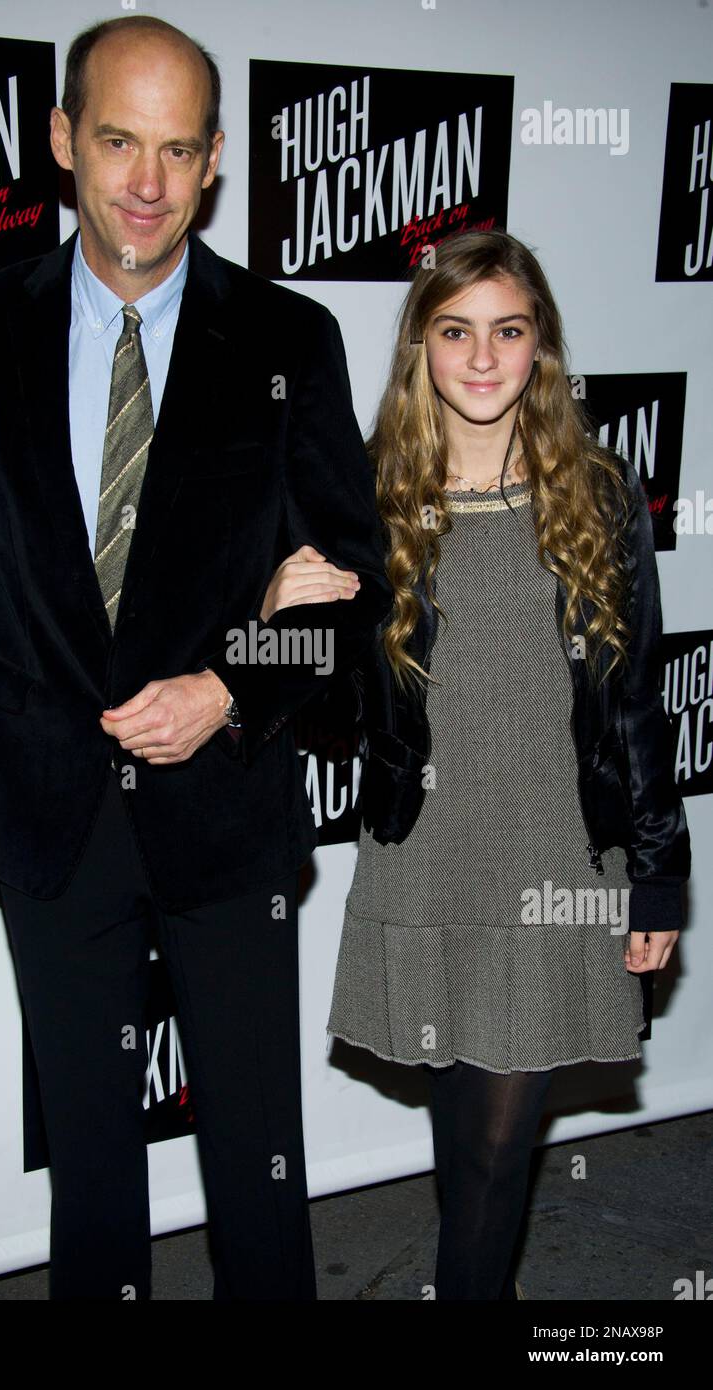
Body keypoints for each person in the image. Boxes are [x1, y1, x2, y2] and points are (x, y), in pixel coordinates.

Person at [0, 15, 392, 1301]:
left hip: (227, 813)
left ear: (213, 162)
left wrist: (228, 686)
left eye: (175, 149)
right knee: (92, 1172)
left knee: (259, 1164)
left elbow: (355, 585)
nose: (146, 181)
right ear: (60, 140)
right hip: (49, 806)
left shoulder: (285, 339)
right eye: (116, 141)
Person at [260, 228, 691, 1300]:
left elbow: (634, 702)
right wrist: (277, 622)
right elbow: (326, 719)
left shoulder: (597, 496)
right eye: (455, 331)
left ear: (540, 346)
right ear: (420, 347)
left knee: (498, 1149)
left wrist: (658, 871)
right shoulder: (363, 500)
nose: (483, 356)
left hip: (557, 862)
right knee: (468, 1146)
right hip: (427, 852)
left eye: (507, 330)